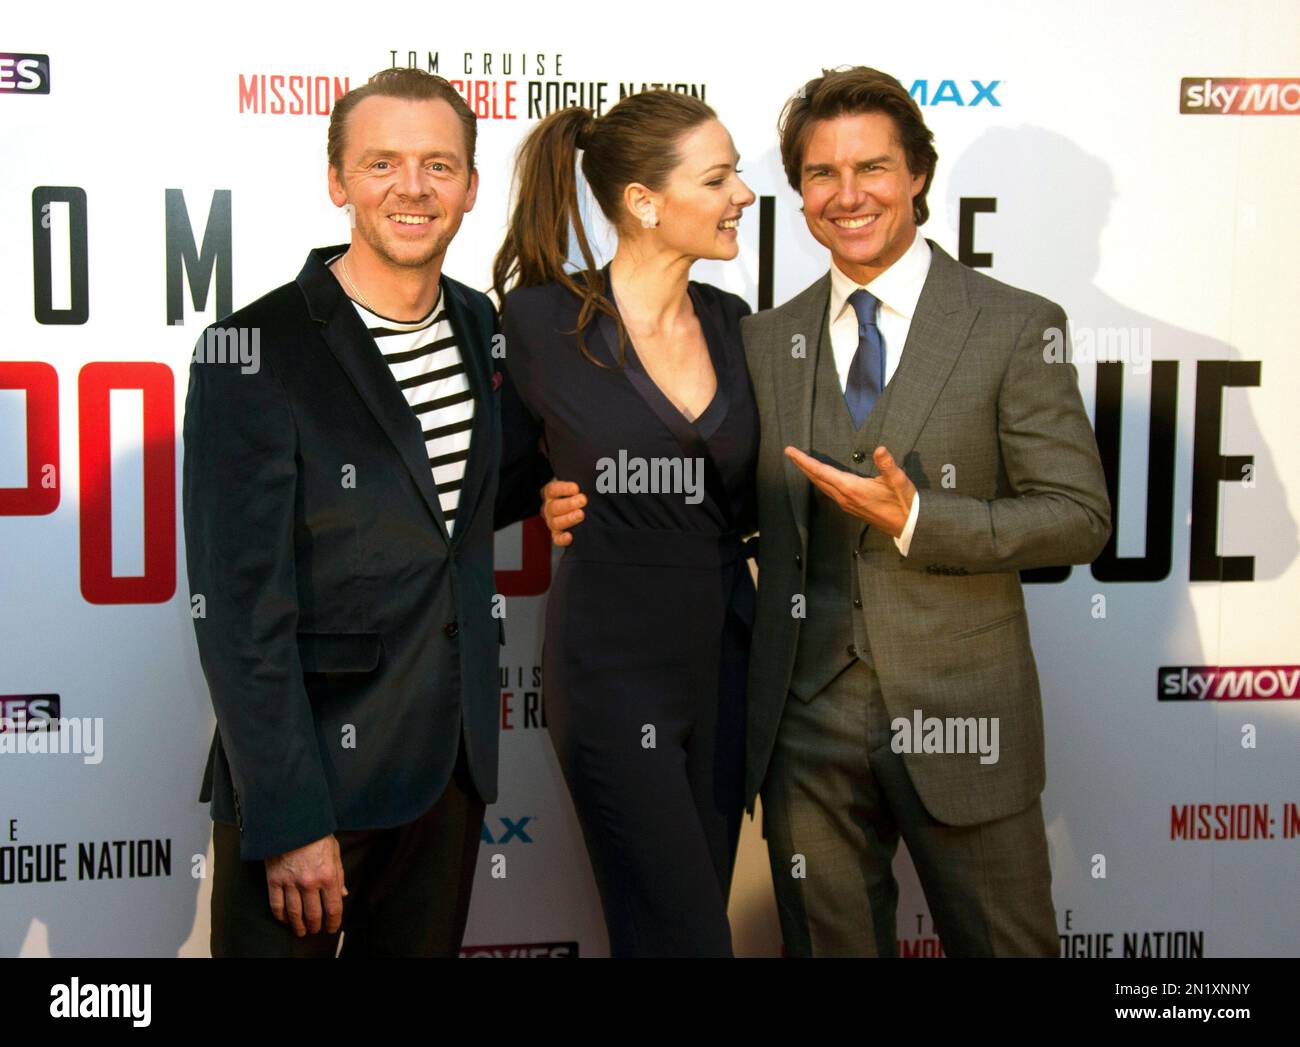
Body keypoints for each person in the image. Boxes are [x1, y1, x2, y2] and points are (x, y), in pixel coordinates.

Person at [543, 67, 1111, 957]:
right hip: (799, 728)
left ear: (918, 175)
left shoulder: (1014, 325)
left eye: (873, 169)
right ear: (800, 194)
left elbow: (1079, 517)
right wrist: (573, 490)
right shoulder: (761, 337)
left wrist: (925, 518)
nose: (848, 196)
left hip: (962, 714)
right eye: (820, 175)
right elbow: (702, 485)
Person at [183, 68, 545, 957]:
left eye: (438, 165)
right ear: (338, 181)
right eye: (382, 162)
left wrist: (555, 491)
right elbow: (238, 612)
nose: (412, 188)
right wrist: (291, 817)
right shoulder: (253, 349)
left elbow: (446, 510)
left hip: (450, 774)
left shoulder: (481, 325)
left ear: (468, 186)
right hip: (313, 781)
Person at [493, 90, 758, 956]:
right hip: (612, 674)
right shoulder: (539, 322)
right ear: (644, 202)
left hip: (725, 665)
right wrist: (542, 496)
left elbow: (754, 500)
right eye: (718, 178)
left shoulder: (738, 328)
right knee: (688, 940)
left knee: (678, 930)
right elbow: (487, 481)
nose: (744, 196)